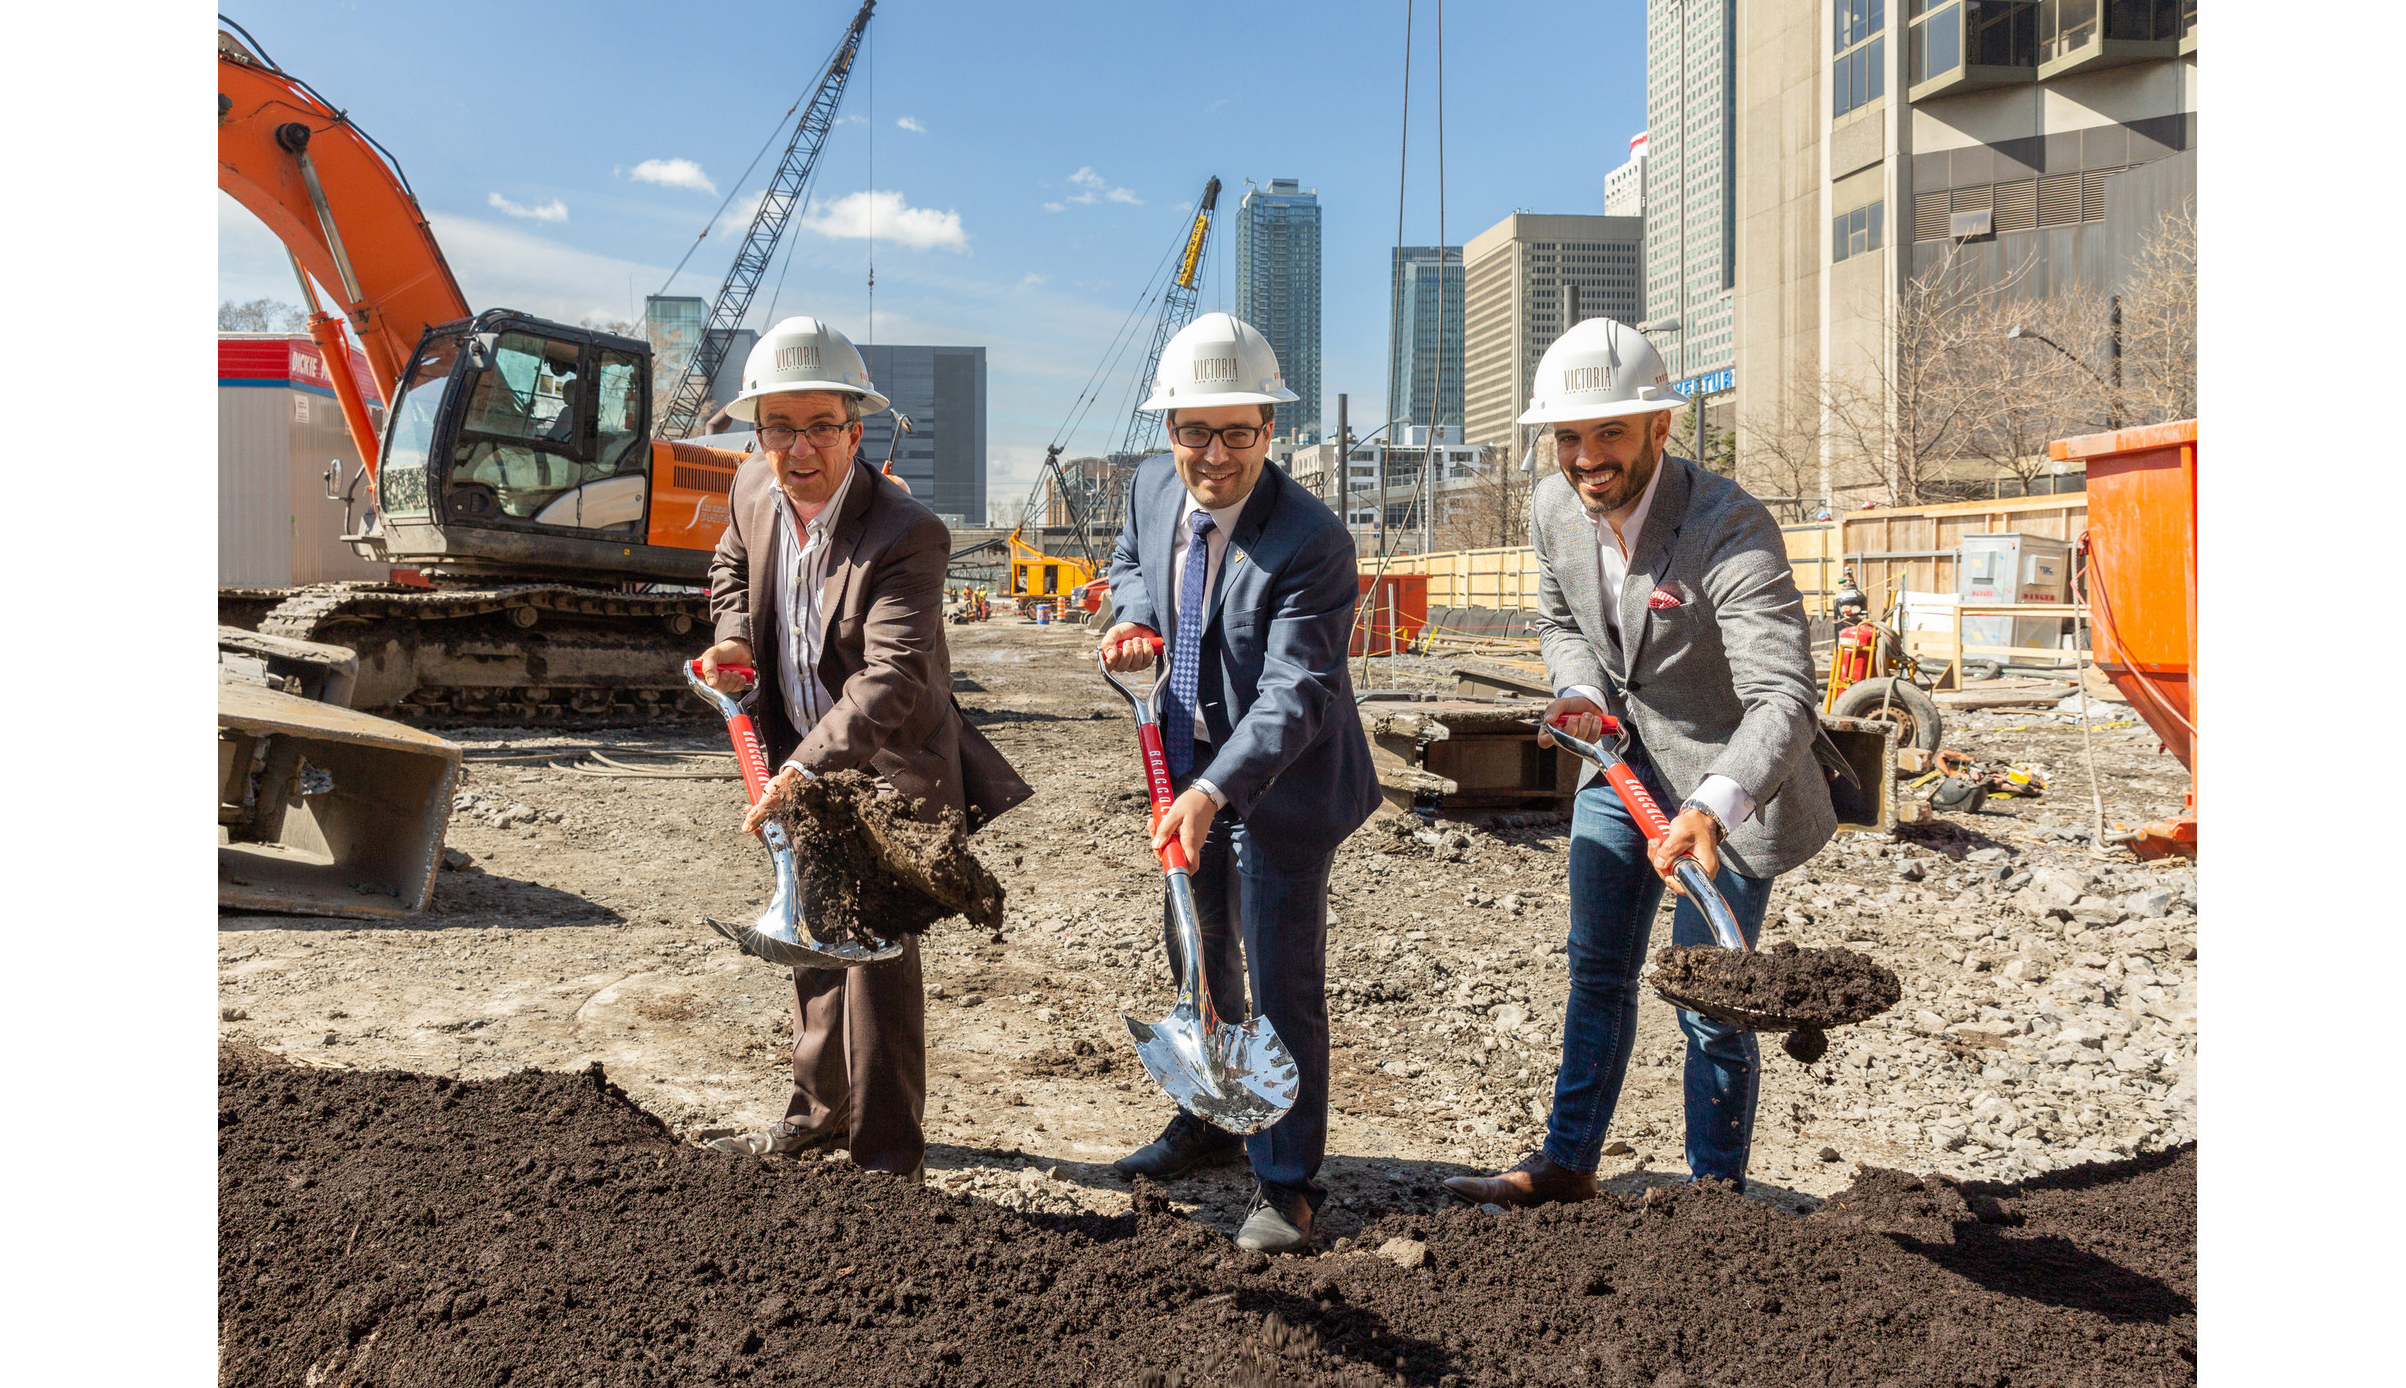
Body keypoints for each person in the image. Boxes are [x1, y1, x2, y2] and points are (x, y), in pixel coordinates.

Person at [1442, 318, 1839, 1208]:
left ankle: (1712, 1198)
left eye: (1610, 433)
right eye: (1569, 436)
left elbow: (1781, 697)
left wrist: (1713, 803)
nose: (1586, 457)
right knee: (1597, 973)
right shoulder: (1553, 508)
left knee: (1712, 999)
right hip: (1615, 770)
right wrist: (1578, 689)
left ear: (1661, 427)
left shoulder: (1729, 529)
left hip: (1725, 783)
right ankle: (1566, 1164)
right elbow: (1558, 622)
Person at [694, 315, 1032, 1182]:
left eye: (818, 427)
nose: (798, 449)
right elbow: (730, 568)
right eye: (779, 427)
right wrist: (733, 638)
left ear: (856, 430)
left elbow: (889, 680)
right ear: (757, 430)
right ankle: (816, 1114)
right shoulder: (749, 491)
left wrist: (807, 770)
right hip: (792, 746)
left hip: (883, 760)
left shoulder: (905, 532)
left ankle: (886, 1155)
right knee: (805, 923)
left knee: (874, 952)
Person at [1098, 312, 1380, 1253]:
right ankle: (1208, 1122)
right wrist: (1133, 617)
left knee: (1280, 976)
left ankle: (1289, 1181)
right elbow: (1129, 567)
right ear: (1167, 428)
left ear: (1271, 430)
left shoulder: (1309, 540)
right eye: (1194, 432)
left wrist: (1216, 791)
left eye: (1238, 433)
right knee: (1198, 951)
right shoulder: (1145, 487)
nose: (1214, 455)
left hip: (1279, 785)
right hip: (1178, 762)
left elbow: (1296, 692)